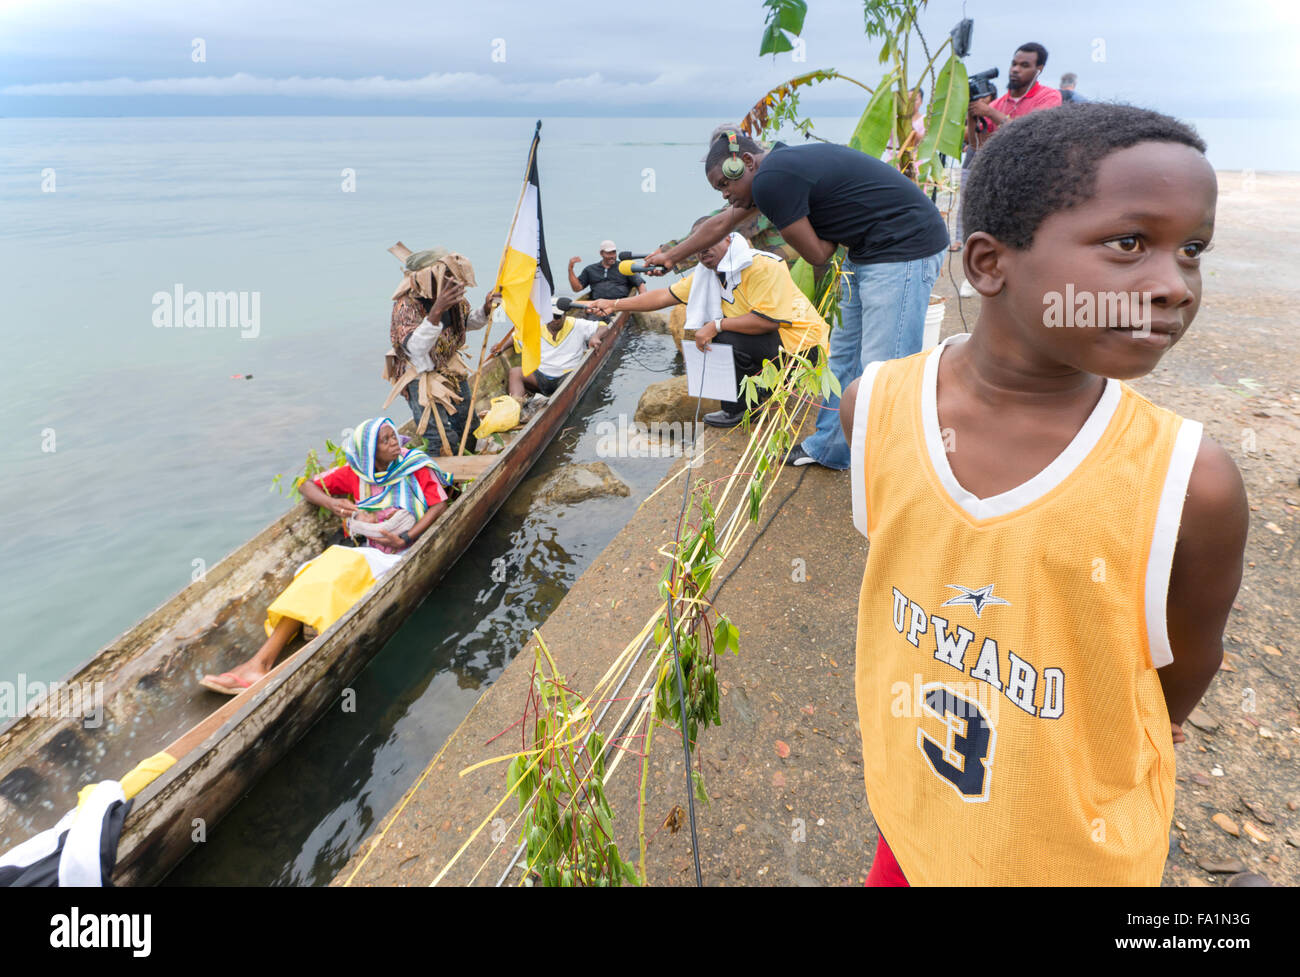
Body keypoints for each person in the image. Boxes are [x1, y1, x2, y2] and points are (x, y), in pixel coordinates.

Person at [840, 103, 1247, 885]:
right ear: (988, 263)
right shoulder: (877, 408)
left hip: (1071, 854)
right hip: (914, 808)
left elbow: (1180, 674)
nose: (1174, 285)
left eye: (1192, 250)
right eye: (1129, 243)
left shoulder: (1189, 484)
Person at [645, 130, 946, 464]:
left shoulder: (772, 180)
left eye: (724, 185)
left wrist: (827, 228)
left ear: (746, 162)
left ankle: (892, 468)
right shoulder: (775, 171)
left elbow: (818, 254)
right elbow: (718, 225)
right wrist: (672, 257)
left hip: (902, 249)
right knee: (843, 356)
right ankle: (830, 449)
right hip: (866, 251)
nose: (726, 195)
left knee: (885, 367)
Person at [200, 417, 450, 695]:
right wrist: (332, 502)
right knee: (314, 574)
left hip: (401, 553)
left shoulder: (413, 465)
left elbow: (438, 505)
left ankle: (261, 664)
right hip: (365, 552)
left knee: (333, 576)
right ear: (369, 453)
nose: (395, 444)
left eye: (394, 437)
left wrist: (407, 536)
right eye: (386, 440)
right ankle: (258, 664)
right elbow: (306, 486)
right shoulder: (357, 473)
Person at [595, 227, 828, 427]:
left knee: (722, 335)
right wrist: (613, 304)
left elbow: (768, 321)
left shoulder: (761, 265)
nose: (704, 251)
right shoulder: (708, 275)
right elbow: (662, 296)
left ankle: (740, 409)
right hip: (779, 348)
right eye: (698, 247)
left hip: (805, 353)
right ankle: (760, 393)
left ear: (728, 238)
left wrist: (716, 325)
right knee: (721, 333)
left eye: (709, 243)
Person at [384, 244, 500, 456]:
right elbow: (415, 348)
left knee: (468, 424)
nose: (451, 279)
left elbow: (464, 323)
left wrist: (485, 308)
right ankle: (445, 482)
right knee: (439, 437)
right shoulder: (406, 305)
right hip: (419, 376)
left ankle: (470, 466)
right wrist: (437, 310)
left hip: (449, 367)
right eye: (444, 274)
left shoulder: (452, 297)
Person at [508, 303, 610, 403]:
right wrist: (501, 347)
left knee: (570, 381)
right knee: (515, 372)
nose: (553, 320)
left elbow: (603, 327)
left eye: (557, 316)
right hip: (542, 376)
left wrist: (596, 337)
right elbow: (516, 336)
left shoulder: (577, 324)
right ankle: (517, 406)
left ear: (564, 316)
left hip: (567, 375)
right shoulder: (536, 325)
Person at [966, 42, 1062, 139]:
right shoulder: (996, 105)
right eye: (1014, 64)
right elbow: (976, 144)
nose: (1015, 69)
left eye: (1024, 65)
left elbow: (1029, 132)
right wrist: (972, 111)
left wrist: (991, 113)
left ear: (1039, 69)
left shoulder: (1049, 97)